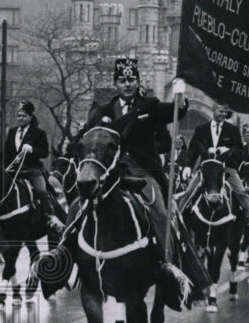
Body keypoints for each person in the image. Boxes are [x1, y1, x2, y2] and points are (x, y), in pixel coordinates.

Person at [74, 58, 189, 248]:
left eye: (131, 80)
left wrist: (180, 97)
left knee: (159, 212)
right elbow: (87, 139)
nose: (127, 84)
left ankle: (168, 259)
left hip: (142, 172)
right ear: (115, 84)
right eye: (122, 81)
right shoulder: (104, 110)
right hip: (109, 175)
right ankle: (67, 254)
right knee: (77, 210)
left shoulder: (149, 105)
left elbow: (174, 112)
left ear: (138, 82)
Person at [179, 104, 249, 237]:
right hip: (206, 168)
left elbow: (239, 149)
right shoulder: (201, 129)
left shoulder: (232, 129)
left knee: (241, 192)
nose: (223, 114)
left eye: (225, 112)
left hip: (226, 167)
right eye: (220, 111)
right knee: (189, 191)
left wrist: (227, 150)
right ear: (213, 111)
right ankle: (177, 217)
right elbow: (193, 149)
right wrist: (188, 166)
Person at [3, 100, 63, 233]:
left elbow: (45, 153)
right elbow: (6, 152)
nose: (21, 118)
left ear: (30, 117)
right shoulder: (12, 132)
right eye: (19, 115)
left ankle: (51, 216)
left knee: (41, 191)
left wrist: (32, 149)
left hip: (32, 169)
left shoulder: (38, 132)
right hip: (13, 170)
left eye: (24, 116)